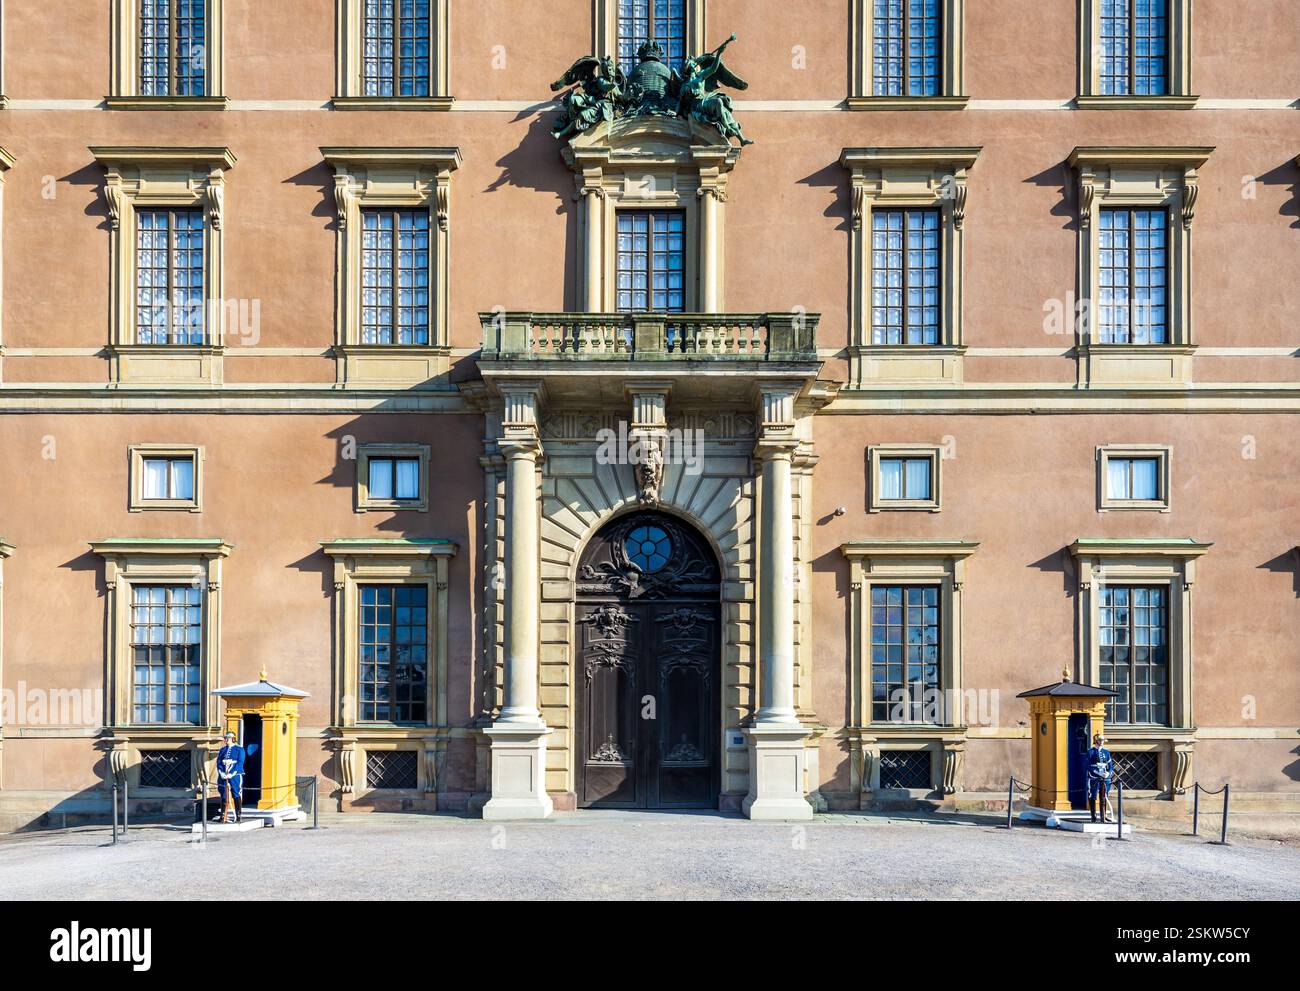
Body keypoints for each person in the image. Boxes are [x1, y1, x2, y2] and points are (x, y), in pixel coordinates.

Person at [215, 730, 246, 823]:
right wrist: (221, 772)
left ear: (233, 739)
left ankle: (238, 815)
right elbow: (219, 762)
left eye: (227, 738)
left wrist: (232, 773)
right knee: (223, 795)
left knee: (236, 793)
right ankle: (223, 815)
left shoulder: (239, 749)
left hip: (235, 775)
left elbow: (240, 763)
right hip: (223, 775)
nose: (225, 740)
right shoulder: (223, 750)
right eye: (225, 738)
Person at [1086, 733, 1114, 823]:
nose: (1102, 742)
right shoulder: (1090, 752)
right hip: (1094, 777)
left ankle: (1104, 815)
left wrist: (1108, 773)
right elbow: (1087, 765)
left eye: (1102, 740)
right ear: (1096, 741)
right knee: (1093, 796)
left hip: (1105, 778)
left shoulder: (1106, 752)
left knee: (1104, 796)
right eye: (1100, 740)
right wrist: (1096, 771)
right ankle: (1093, 816)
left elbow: (1110, 765)